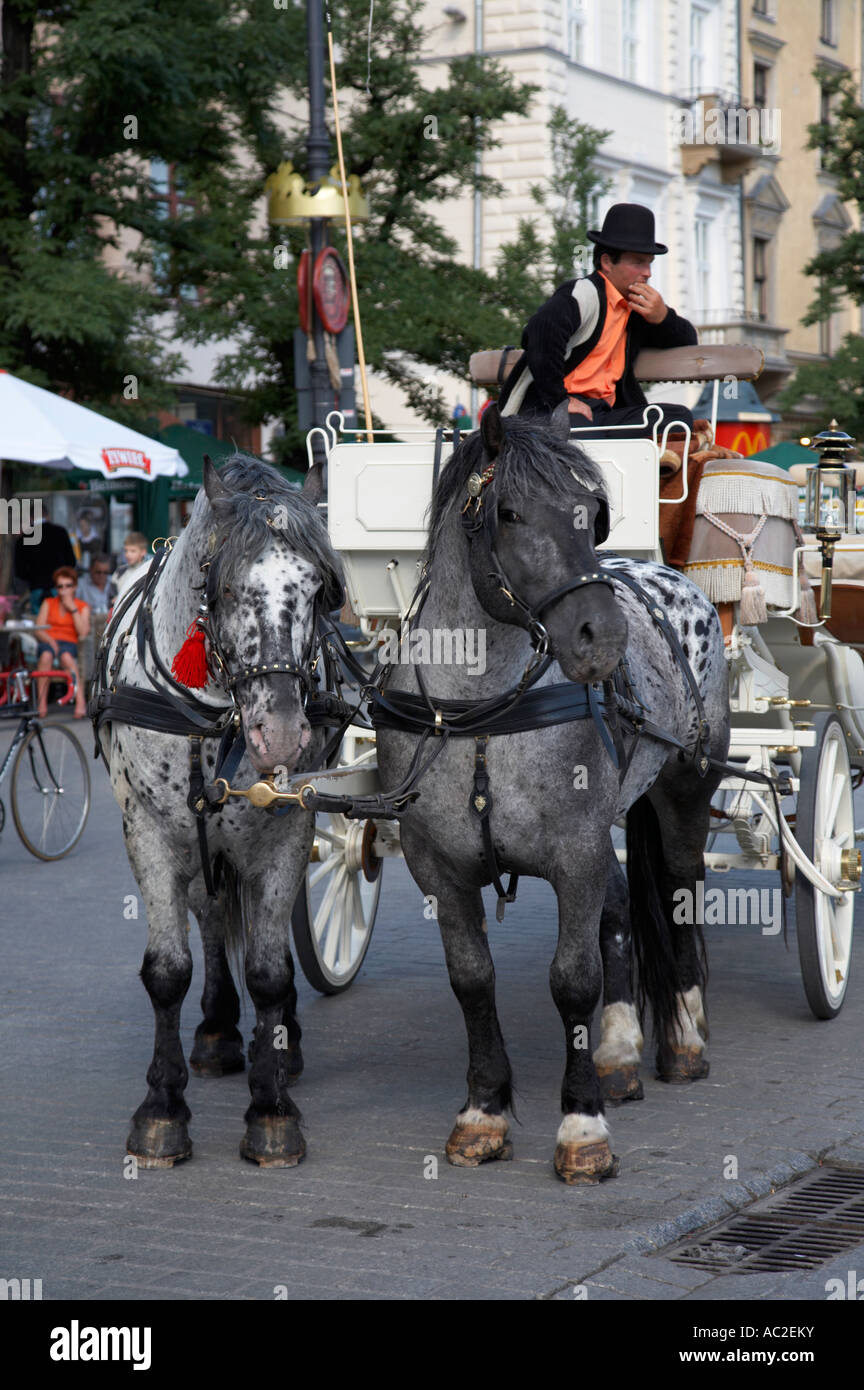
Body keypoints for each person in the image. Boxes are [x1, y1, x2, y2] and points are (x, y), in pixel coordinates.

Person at [498, 203, 697, 437]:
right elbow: (540, 332)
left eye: (649, 263)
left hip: (604, 414)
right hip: (549, 411)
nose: (648, 272)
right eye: (638, 262)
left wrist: (662, 316)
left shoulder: (636, 308)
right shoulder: (583, 293)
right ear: (606, 262)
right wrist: (560, 400)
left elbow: (688, 339)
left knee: (679, 418)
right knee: (581, 431)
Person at [34, 567, 90, 719]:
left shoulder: (81, 606)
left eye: (68, 585)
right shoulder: (49, 602)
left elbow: (83, 632)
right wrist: (51, 641)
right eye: (60, 586)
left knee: (66, 658)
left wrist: (72, 609)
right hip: (49, 641)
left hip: (69, 642)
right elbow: (38, 629)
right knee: (45, 656)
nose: (64, 589)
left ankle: (80, 702)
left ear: (75, 587)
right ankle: (41, 703)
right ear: (56, 588)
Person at [13, 503, 76, 614]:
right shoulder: (60, 532)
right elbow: (71, 562)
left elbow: (20, 571)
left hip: (36, 588)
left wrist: (33, 578)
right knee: (60, 619)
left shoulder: (23, 538)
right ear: (47, 515)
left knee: (39, 623)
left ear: (31, 518)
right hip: (59, 588)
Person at [112, 532, 151, 605]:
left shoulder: (149, 571)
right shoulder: (119, 572)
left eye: (133, 551)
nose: (128, 554)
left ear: (143, 552)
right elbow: (111, 596)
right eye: (126, 550)